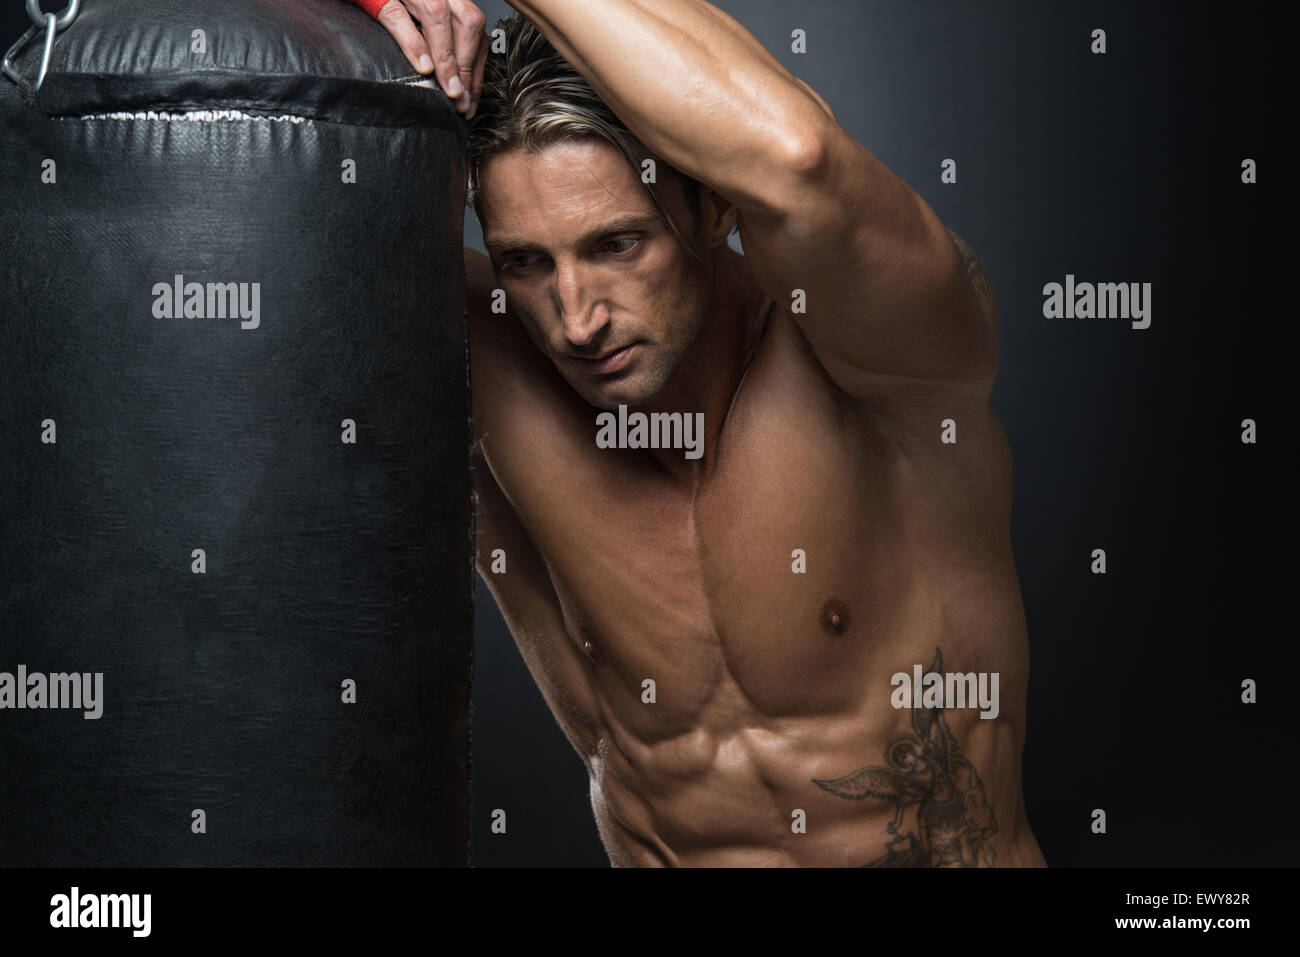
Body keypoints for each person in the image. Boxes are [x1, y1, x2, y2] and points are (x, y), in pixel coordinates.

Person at [347, 0, 1047, 867]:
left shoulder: (893, 367)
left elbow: (799, 155)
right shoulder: (477, 356)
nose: (575, 319)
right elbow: (231, 133)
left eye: (617, 245)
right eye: (526, 260)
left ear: (713, 210)